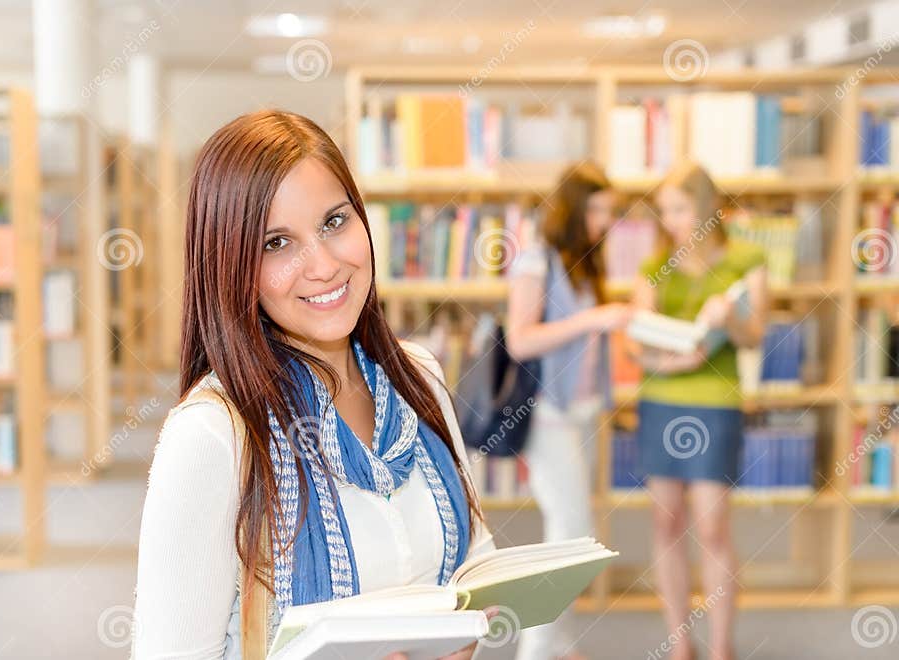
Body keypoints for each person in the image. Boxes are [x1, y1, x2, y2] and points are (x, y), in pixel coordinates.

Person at [130, 110, 496, 660]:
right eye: (277, 243)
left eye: (333, 222)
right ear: (232, 267)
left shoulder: (420, 380)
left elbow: (475, 569)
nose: (323, 265)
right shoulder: (212, 435)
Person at [631, 163, 767, 660]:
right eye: (664, 211)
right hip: (662, 401)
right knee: (666, 525)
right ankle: (680, 644)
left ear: (708, 208)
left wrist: (729, 318)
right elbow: (636, 343)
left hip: (715, 404)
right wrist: (672, 360)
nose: (671, 221)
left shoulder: (745, 259)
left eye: (680, 209)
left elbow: (755, 337)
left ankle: (721, 648)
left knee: (712, 526)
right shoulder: (654, 267)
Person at [506, 161, 633, 660]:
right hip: (547, 413)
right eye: (599, 209)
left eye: (611, 211)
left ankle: (557, 644)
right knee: (573, 527)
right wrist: (593, 318)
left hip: (581, 412)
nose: (606, 220)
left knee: (570, 535)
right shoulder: (536, 258)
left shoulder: (583, 259)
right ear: (576, 207)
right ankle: (536, 649)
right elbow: (521, 339)